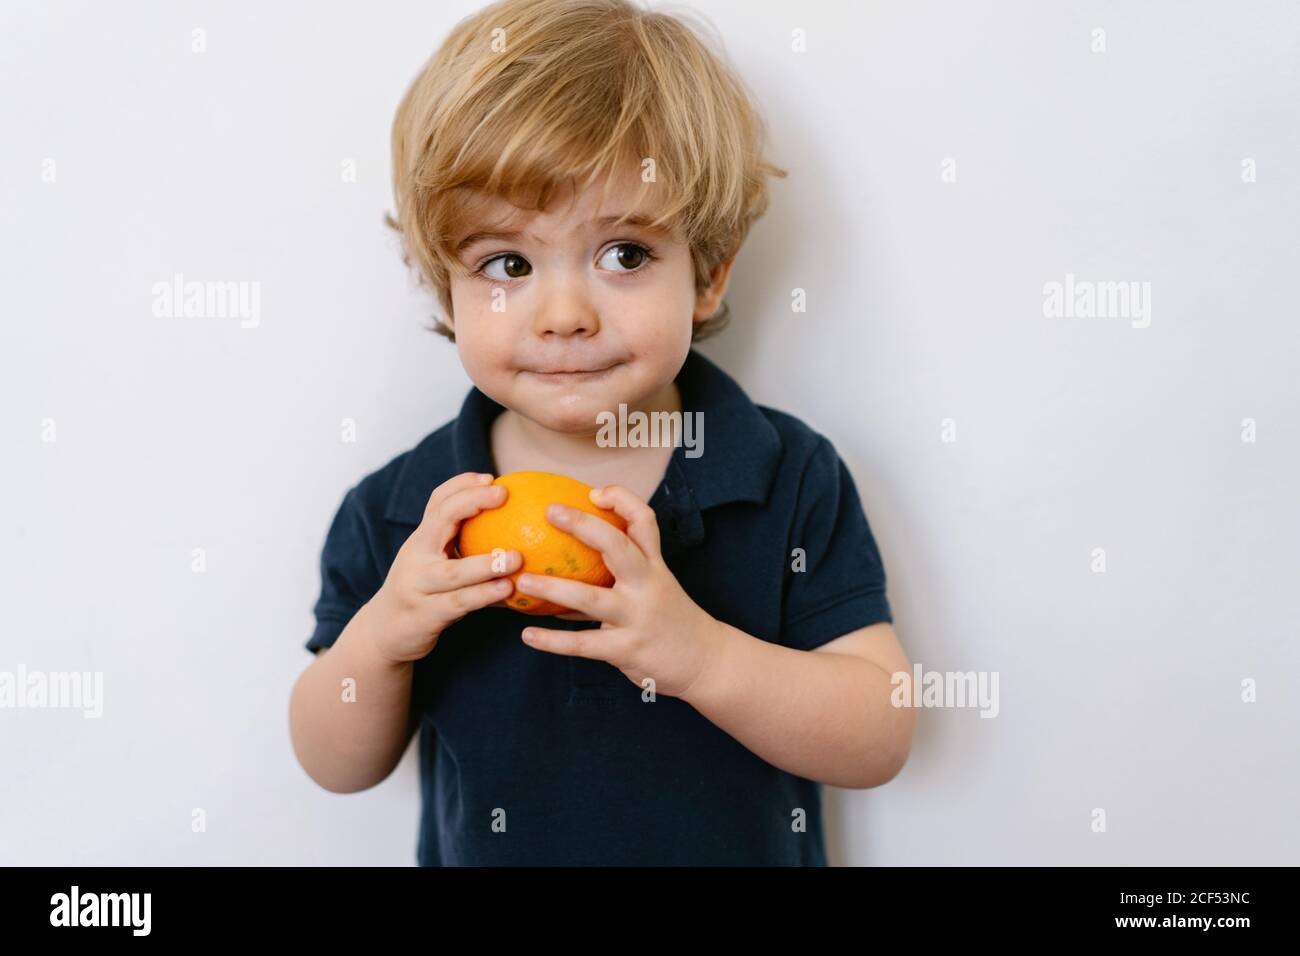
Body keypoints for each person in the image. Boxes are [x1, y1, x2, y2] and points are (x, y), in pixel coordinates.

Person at [289, 0, 914, 866]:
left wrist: (698, 657)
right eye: (506, 263)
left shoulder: (784, 475)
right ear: (447, 293)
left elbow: (878, 735)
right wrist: (382, 636)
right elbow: (334, 765)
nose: (565, 315)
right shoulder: (402, 511)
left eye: (624, 253)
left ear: (707, 272)